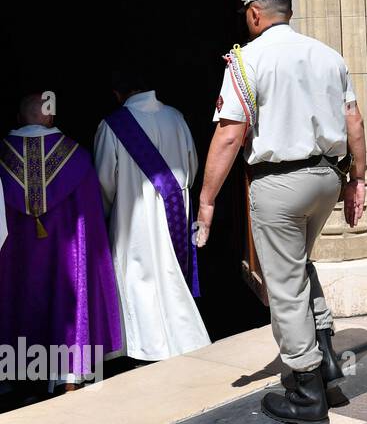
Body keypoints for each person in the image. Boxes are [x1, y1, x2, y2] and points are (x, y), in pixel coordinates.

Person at [196, 0, 367, 424]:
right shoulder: (328, 55)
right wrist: (358, 180)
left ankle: (306, 389)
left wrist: (207, 199)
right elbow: (354, 120)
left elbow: (230, 135)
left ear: (254, 14)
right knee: (297, 264)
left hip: (280, 184)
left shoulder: (245, 62)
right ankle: (328, 357)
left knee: (284, 285)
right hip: (326, 180)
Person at [0, 92, 121, 389]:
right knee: (66, 295)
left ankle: (11, 374)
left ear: (18, 119)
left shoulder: (2, 157)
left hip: (15, 252)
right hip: (65, 251)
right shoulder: (76, 157)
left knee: (14, 296)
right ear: (51, 118)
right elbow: (91, 218)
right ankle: (68, 372)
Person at [94, 70, 210, 362]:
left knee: (139, 277)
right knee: (170, 273)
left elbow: (104, 180)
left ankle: (142, 346)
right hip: (174, 208)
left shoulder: (112, 125)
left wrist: (109, 211)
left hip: (133, 214)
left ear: (118, 95)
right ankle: (184, 337)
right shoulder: (176, 117)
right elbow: (192, 166)